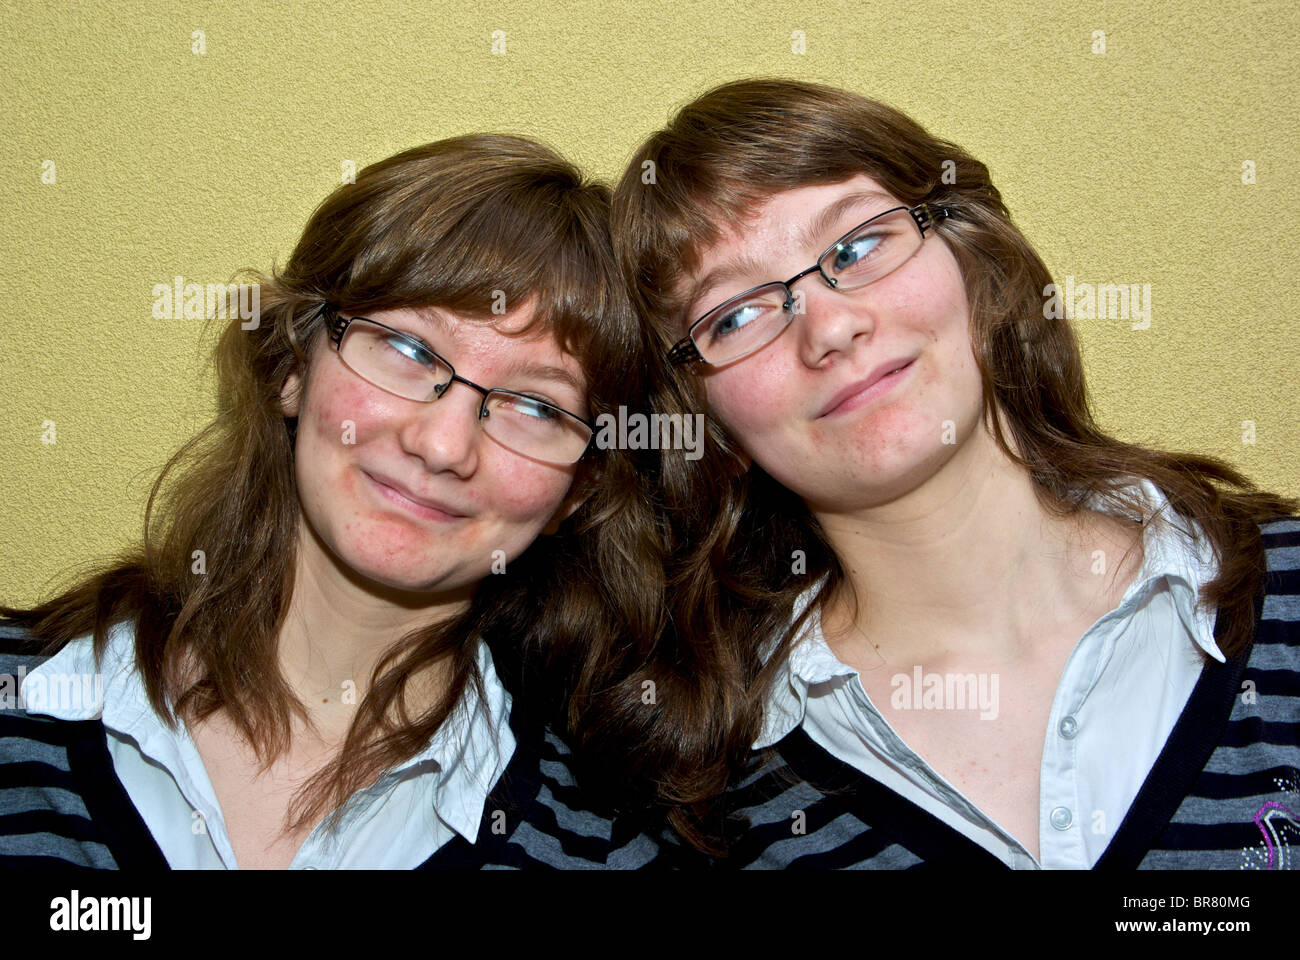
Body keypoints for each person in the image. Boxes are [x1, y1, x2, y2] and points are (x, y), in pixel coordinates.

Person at [606, 78, 1300, 869]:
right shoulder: (706, 806)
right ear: (706, 419)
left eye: (858, 245)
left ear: (974, 256)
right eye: (734, 315)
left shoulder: (1286, 594)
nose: (829, 327)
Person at [0, 133, 671, 869]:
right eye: (411, 351)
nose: (444, 446)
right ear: (293, 364)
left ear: (579, 488)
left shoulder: (607, 849)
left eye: (535, 407)